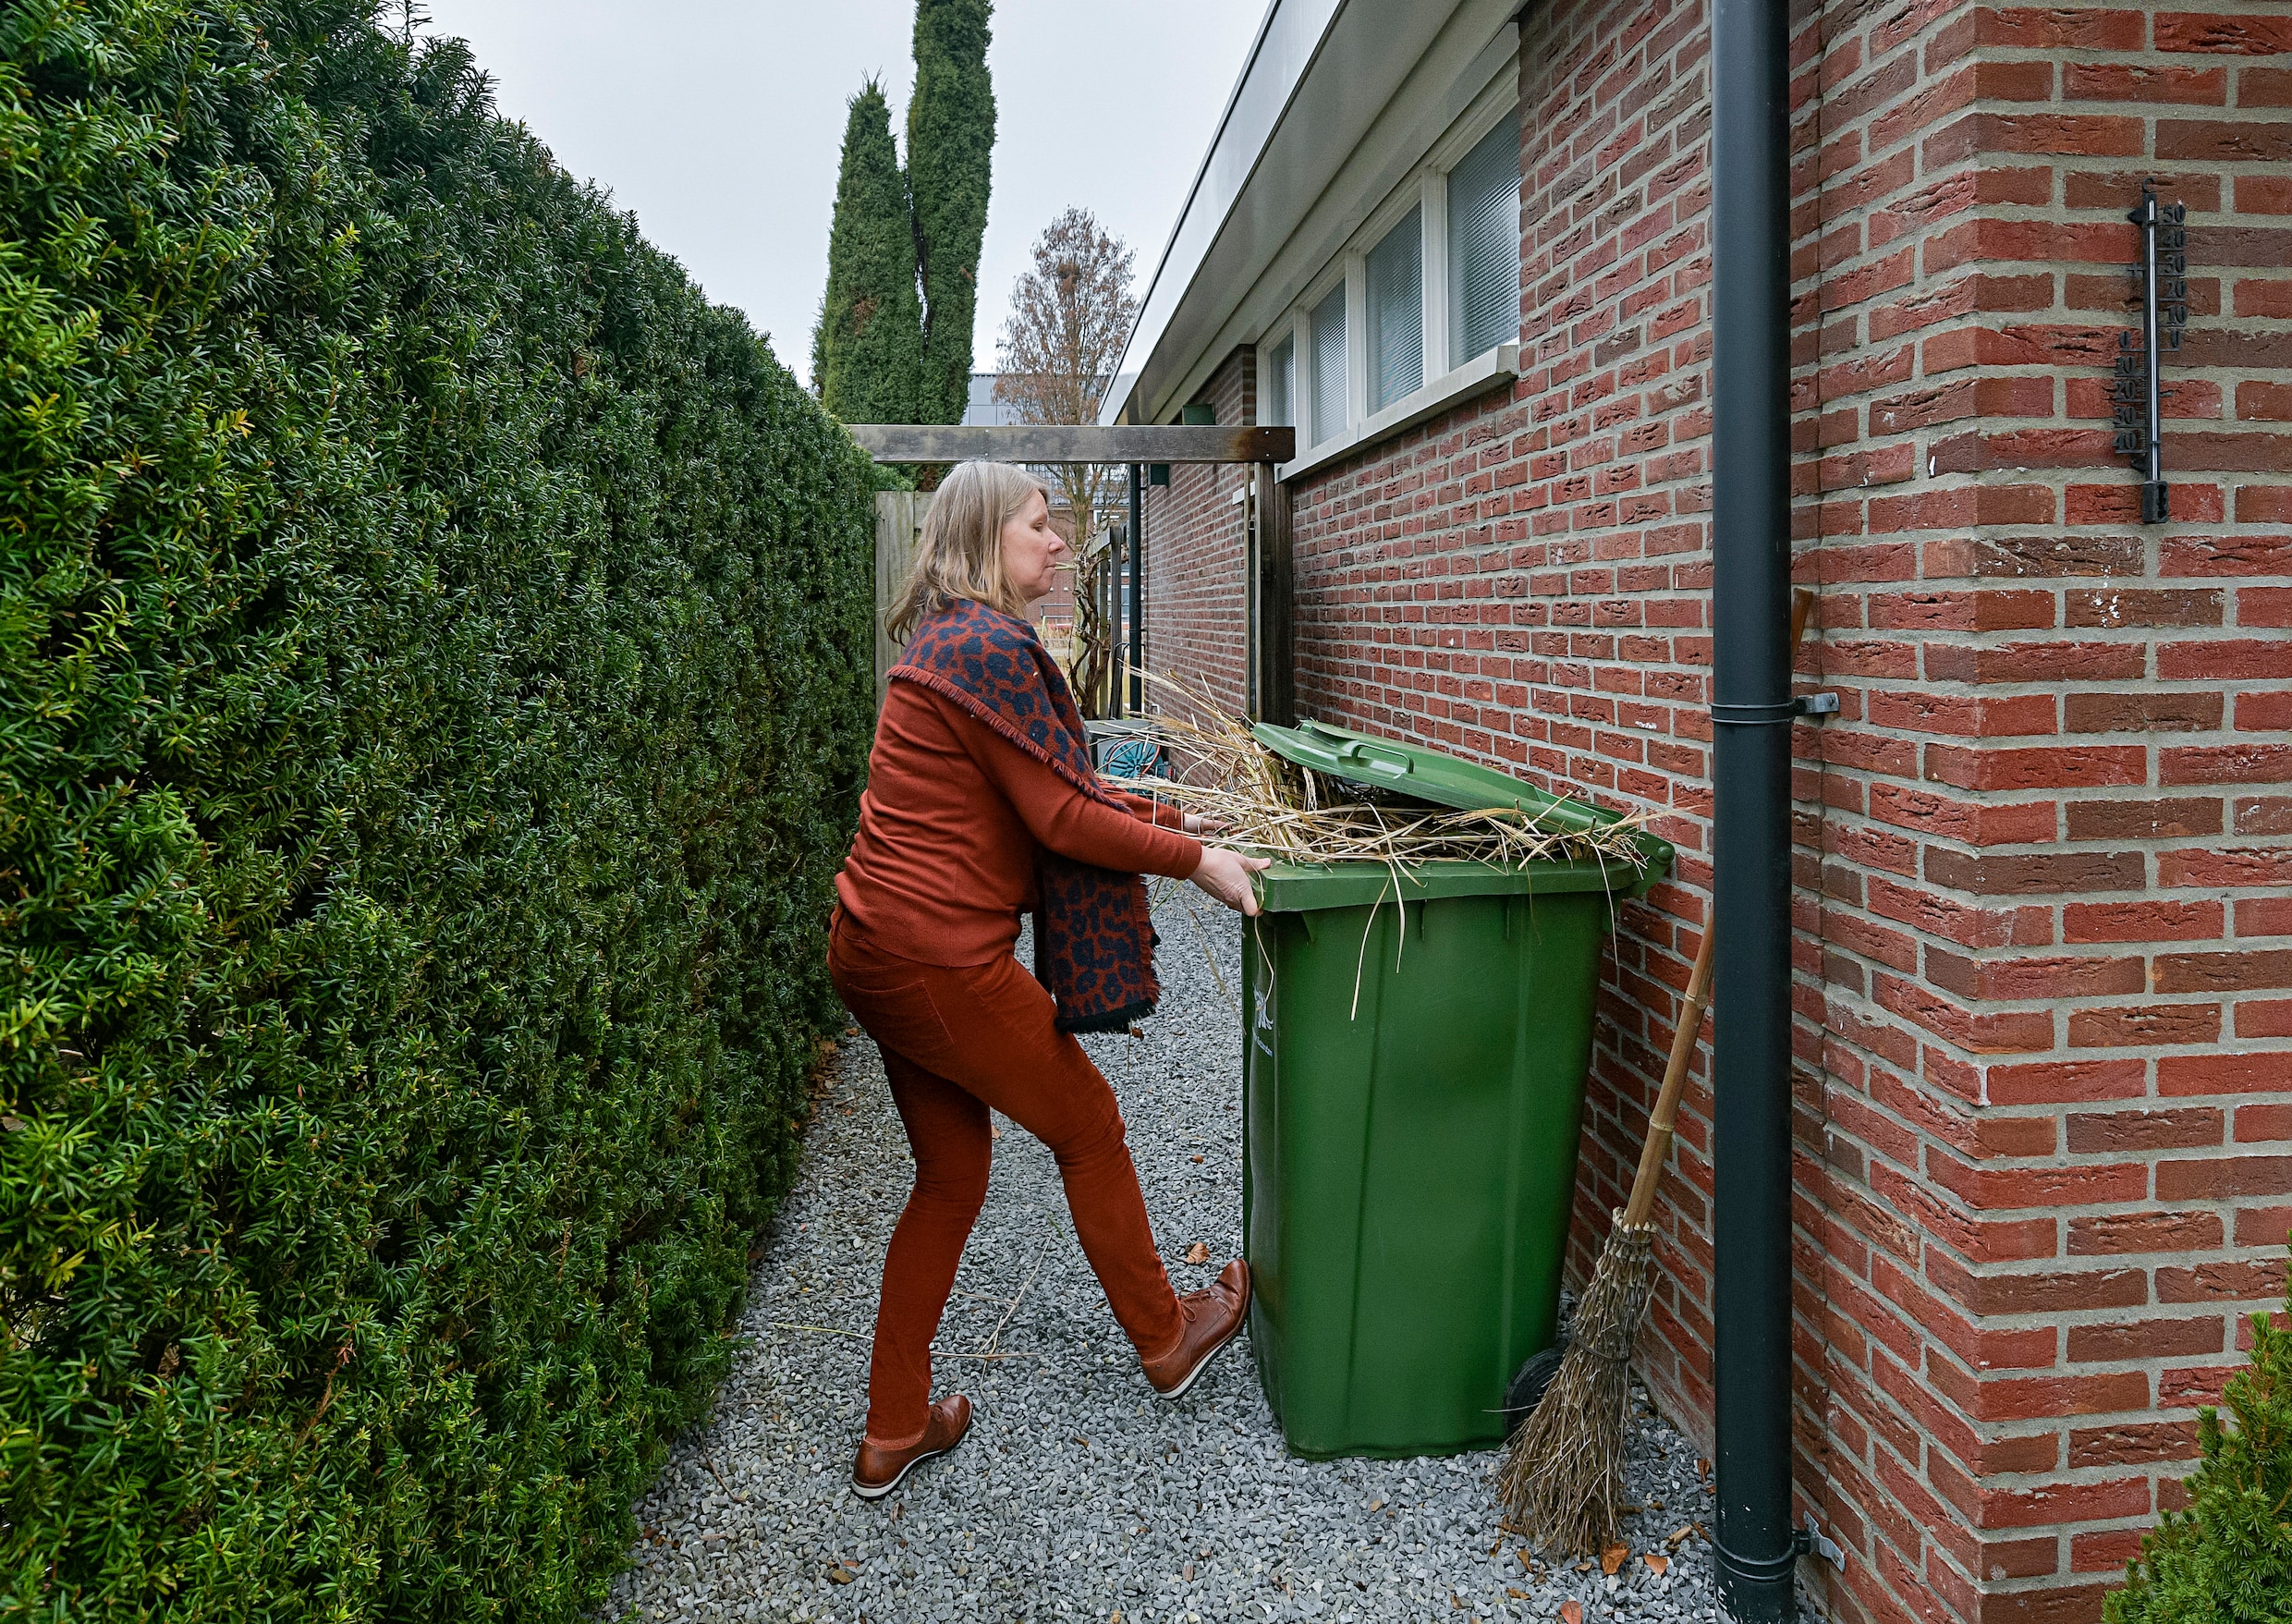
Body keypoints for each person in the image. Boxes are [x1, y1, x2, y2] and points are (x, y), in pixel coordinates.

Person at [828, 459, 1270, 1500]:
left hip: (872, 945)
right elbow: (1064, 819)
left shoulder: (950, 643)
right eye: (1040, 523)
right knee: (1088, 1123)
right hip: (936, 959)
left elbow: (1050, 789)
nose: (1059, 540)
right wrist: (1196, 861)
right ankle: (1167, 1335)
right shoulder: (986, 648)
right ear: (989, 538)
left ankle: (893, 1427)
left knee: (949, 1178)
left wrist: (1172, 817)